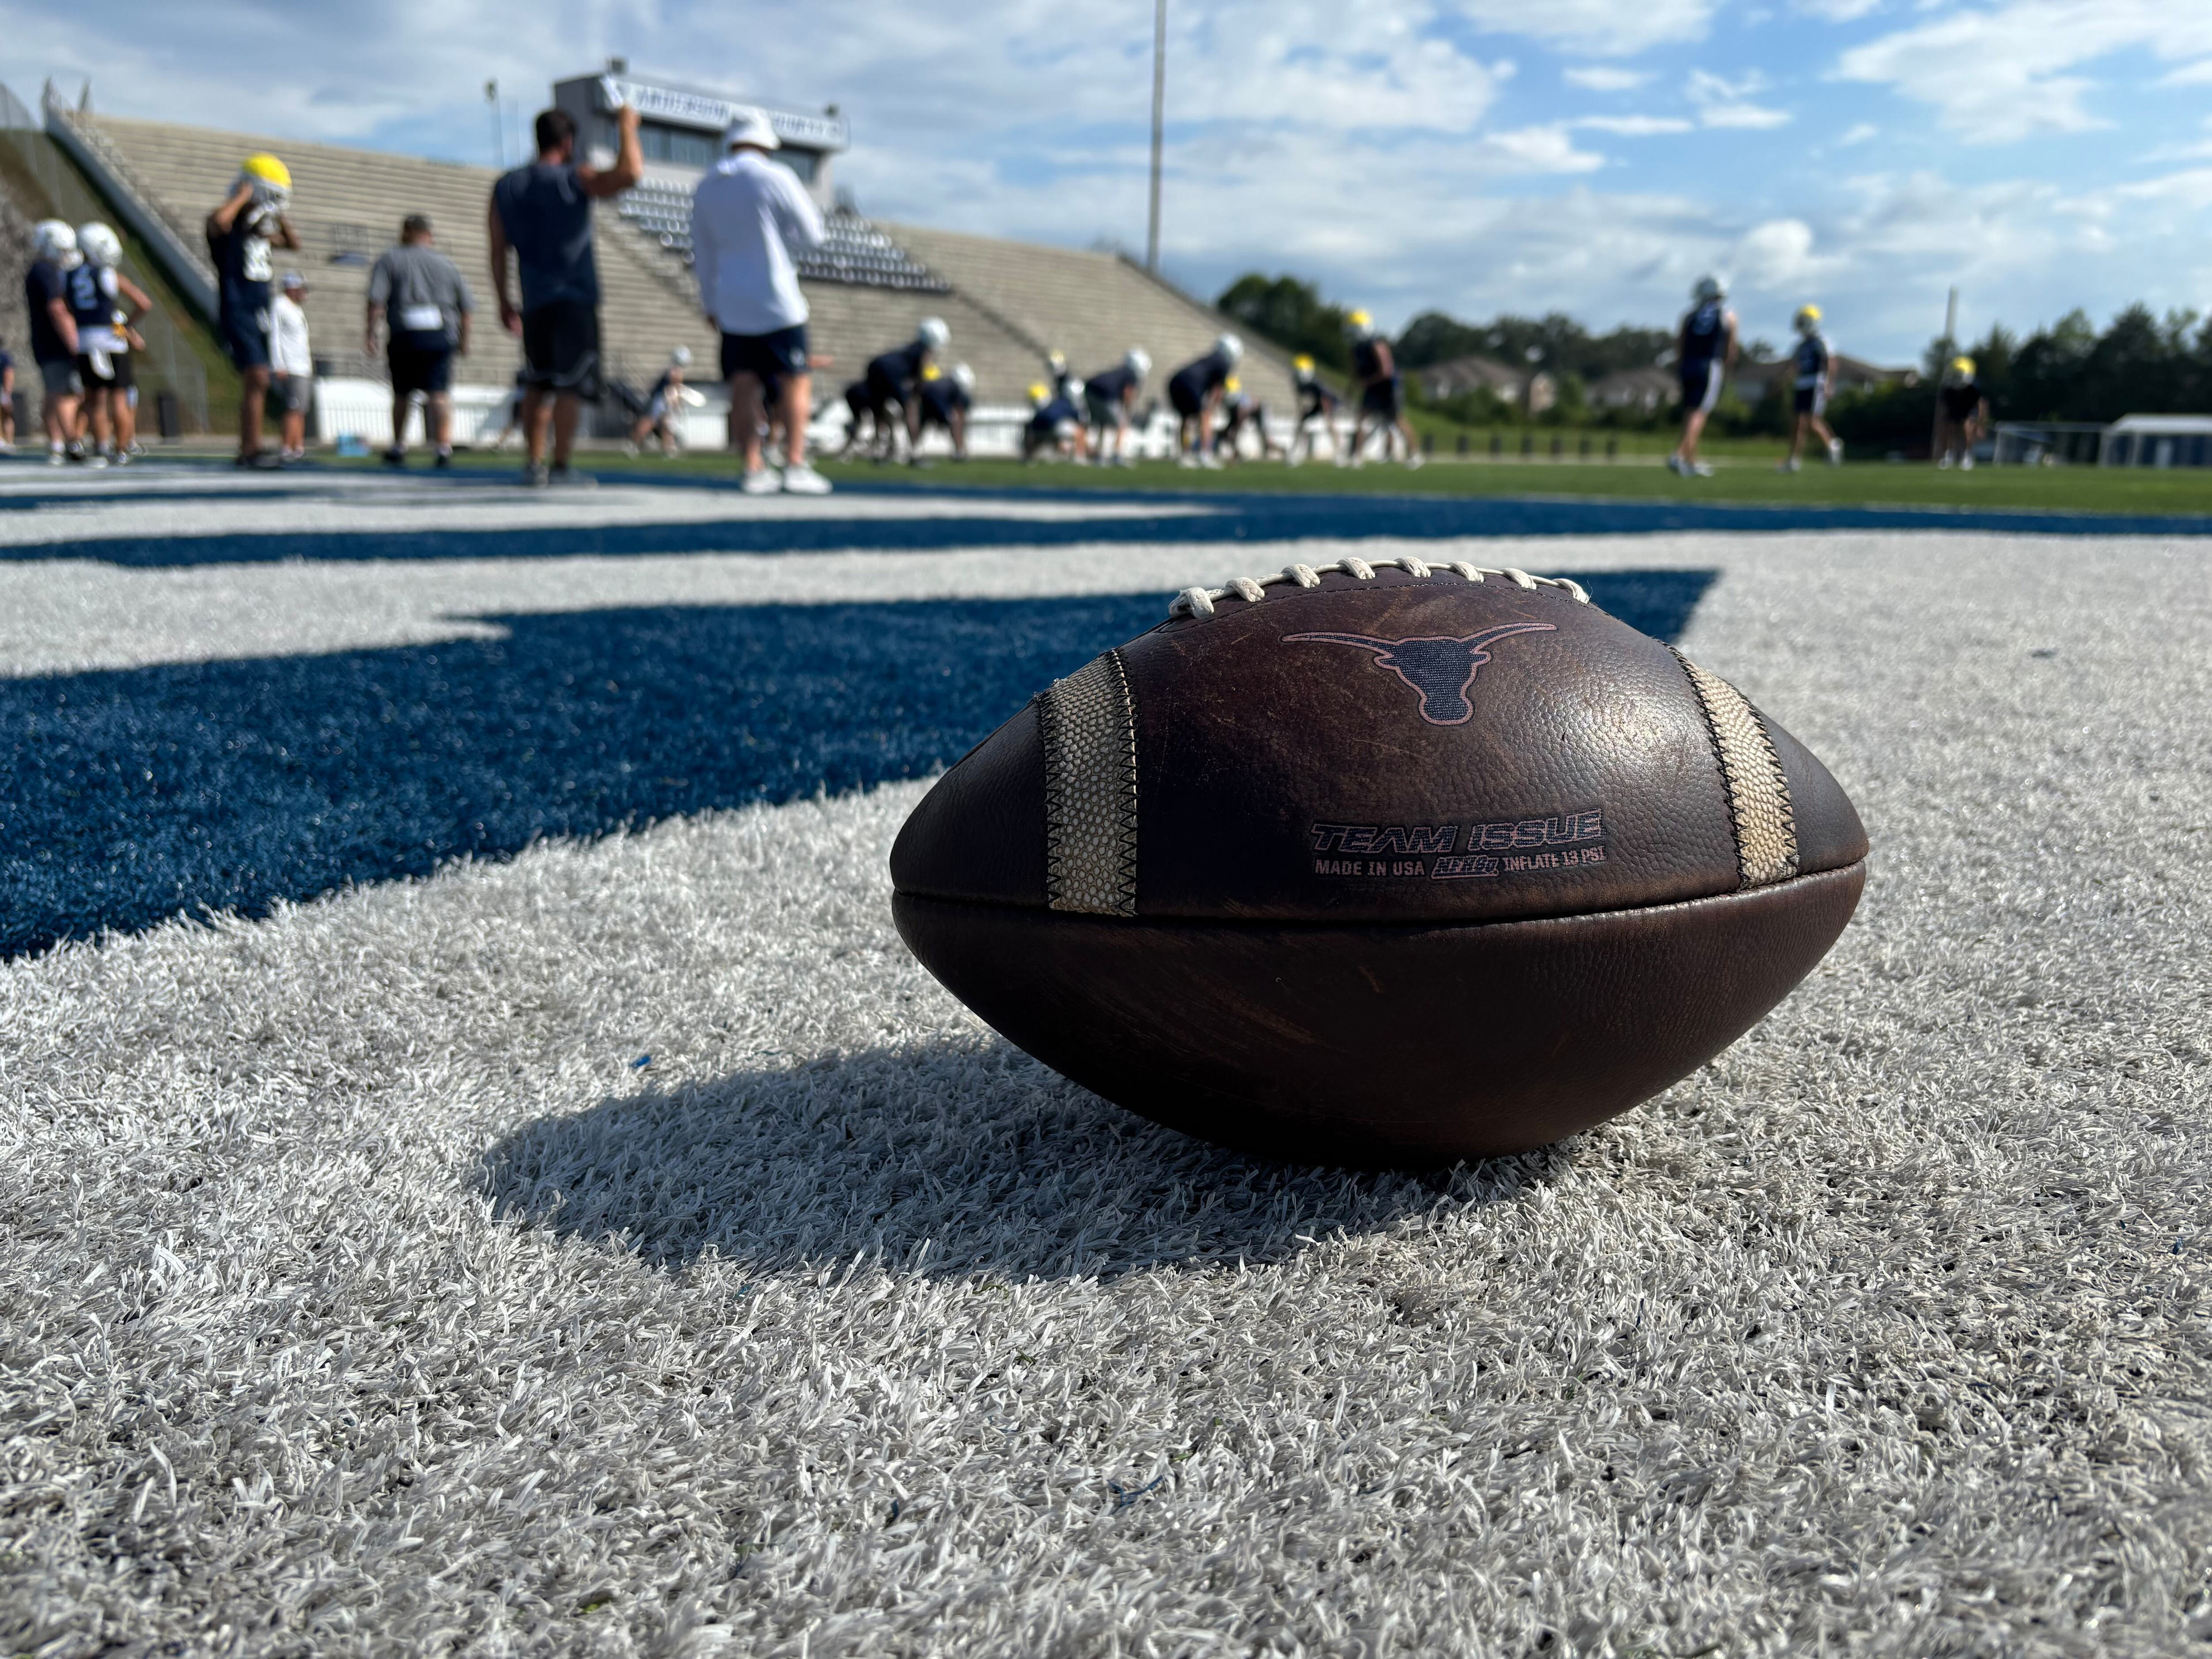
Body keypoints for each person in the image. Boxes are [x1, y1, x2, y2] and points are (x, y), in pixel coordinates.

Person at [490, 102, 642, 487]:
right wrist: (627, 127)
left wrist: (504, 300)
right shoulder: (573, 177)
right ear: (568, 141)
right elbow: (629, 174)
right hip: (573, 296)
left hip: (534, 298)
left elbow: (496, 247)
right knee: (569, 384)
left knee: (538, 383)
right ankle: (560, 467)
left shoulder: (506, 186)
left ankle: (533, 463)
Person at [688, 107, 832, 495]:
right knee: (795, 381)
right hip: (777, 296)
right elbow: (812, 235)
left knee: (743, 384)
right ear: (766, 143)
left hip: (731, 301)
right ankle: (795, 463)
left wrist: (710, 303)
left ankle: (752, 467)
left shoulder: (706, 186)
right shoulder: (775, 176)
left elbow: (702, 254)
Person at [207, 155, 300, 469]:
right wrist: (243, 195)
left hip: (259, 310)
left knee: (258, 379)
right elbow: (219, 221)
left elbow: (292, 243)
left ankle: (250, 449)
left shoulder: (259, 229)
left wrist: (279, 213)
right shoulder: (226, 227)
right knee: (257, 376)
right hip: (237, 307)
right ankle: (251, 448)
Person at [368, 214, 474, 469]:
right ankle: (442, 447)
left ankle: (398, 446)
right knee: (439, 393)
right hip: (440, 332)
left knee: (403, 392)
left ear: (406, 232)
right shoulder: (446, 264)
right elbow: (467, 307)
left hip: (405, 330)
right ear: (429, 235)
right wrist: (464, 339)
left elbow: (376, 301)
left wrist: (371, 333)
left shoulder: (391, 258)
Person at [68, 223, 152, 466]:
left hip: (85, 341)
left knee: (94, 399)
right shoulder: (108, 274)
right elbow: (143, 303)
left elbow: (68, 307)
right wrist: (125, 327)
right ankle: (122, 449)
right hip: (111, 340)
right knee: (118, 397)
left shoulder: (70, 275)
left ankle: (101, 447)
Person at [25, 220, 84, 466]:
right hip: (55, 342)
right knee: (67, 392)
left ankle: (58, 444)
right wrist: (74, 341)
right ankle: (69, 442)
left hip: (45, 341)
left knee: (56, 392)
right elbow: (57, 308)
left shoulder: (41, 269)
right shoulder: (45, 270)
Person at [1669, 274, 1737, 478]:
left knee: (1690, 412)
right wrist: (1728, 369)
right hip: (1709, 366)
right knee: (1699, 413)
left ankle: (1691, 460)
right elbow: (1730, 349)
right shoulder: (1728, 316)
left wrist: (1680, 367)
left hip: (1688, 364)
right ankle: (1680, 454)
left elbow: (1679, 345)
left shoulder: (1689, 315)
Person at [861, 317, 951, 467]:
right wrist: (915, 398)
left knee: (881, 413)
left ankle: (881, 451)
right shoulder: (923, 351)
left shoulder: (911, 348)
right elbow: (920, 378)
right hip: (890, 372)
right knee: (912, 408)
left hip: (875, 366)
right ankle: (915, 453)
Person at [1346, 311, 1418, 467]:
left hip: (1388, 388)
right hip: (1372, 388)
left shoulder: (1377, 344)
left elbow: (1386, 371)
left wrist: (1367, 382)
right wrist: (1351, 391)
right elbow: (1356, 373)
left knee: (1398, 420)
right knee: (1361, 420)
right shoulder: (1356, 349)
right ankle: (1356, 456)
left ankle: (1414, 454)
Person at [1779, 304, 1844, 472]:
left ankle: (1831, 444)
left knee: (1811, 421)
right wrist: (1784, 380)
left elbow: (1830, 362)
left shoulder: (1821, 341)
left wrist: (1829, 383)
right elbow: (1793, 365)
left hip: (1816, 383)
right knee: (1798, 423)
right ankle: (1794, 460)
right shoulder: (1801, 345)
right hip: (1801, 384)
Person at [1168, 334, 1241, 467]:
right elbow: (1217, 391)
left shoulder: (1211, 358)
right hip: (1191, 384)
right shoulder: (1224, 363)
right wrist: (1212, 409)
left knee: (1186, 418)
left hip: (1176, 381)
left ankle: (1185, 455)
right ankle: (1205, 454)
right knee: (1205, 417)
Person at [268, 271, 312, 462]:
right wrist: (278, 363)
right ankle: (287, 447)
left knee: (301, 409)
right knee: (293, 409)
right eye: (302, 289)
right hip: (291, 366)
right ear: (291, 288)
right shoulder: (280, 305)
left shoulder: (297, 309)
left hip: (303, 366)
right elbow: (275, 335)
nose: (304, 293)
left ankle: (298, 447)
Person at [627, 347, 702, 456]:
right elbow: (673, 391)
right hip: (660, 400)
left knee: (666, 425)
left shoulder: (673, 370)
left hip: (662, 400)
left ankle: (669, 448)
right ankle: (633, 444)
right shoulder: (676, 372)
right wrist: (677, 406)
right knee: (650, 421)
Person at [1082, 348, 1149, 466]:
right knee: (1122, 424)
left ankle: (1100, 455)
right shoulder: (1131, 374)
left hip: (1090, 391)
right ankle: (1117, 455)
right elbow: (1128, 392)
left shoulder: (1121, 371)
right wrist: (1128, 411)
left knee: (1102, 423)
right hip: (1105, 396)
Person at [1214, 377, 1284, 463]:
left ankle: (1283, 451)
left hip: (1259, 413)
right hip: (1246, 412)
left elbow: (1241, 419)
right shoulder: (1230, 399)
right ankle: (1236, 454)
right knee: (1229, 434)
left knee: (1266, 441)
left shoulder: (1241, 403)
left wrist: (1234, 431)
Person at [1288, 355, 1342, 466]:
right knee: (1301, 425)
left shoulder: (1315, 385)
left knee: (1330, 425)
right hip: (1315, 403)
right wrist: (1302, 414)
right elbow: (1300, 400)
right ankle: (1295, 452)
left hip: (1326, 403)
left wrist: (1327, 416)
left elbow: (1325, 400)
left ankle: (1340, 453)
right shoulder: (1297, 383)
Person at [1936, 355, 1988, 470]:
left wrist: (1980, 425)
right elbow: (1943, 407)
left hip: (1968, 410)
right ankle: (1948, 455)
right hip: (1955, 408)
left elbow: (1981, 405)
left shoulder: (1973, 389)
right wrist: (1941, 423)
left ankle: (1967, 456)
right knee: (1948, 429)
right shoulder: (1948, 389)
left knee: (1966, 428)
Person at [914, 361, 974, 459]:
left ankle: (915, 450)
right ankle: (960, 451)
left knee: (921, 424)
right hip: (934, 399)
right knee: (955, 421)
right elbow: (958, 413)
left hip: (924, 397)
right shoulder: (956, 387)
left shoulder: (945, 383)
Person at [1021, 380, 1083, 462]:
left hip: (1049, 429)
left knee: (1038, 437)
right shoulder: (1060, 404)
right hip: (1055, 428)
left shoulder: (1053, 406)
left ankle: (1029, 456)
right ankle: (1079, 457)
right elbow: (1077, 418)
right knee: (1079, 432)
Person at [0, 340, 15, 451]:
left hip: (2, 389)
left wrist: (7, 393)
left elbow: (8, 374)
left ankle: (9, 441)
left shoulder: (4, 356)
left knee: (6, 415)